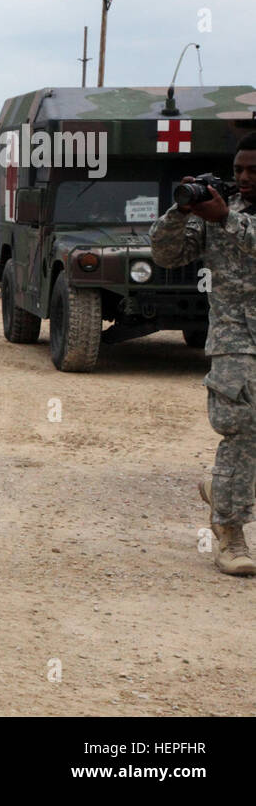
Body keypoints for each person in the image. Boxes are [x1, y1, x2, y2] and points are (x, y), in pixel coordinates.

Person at [150, 132, 256, 575]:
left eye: (254, 171)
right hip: (236, 340)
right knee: (243, 430)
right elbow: (165, 253)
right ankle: (230, 533)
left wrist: (228, 217)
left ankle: (222, 489)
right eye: (239, 171)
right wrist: (182, 209)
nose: (245, 178)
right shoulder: (216, 211)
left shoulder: (228, 215)